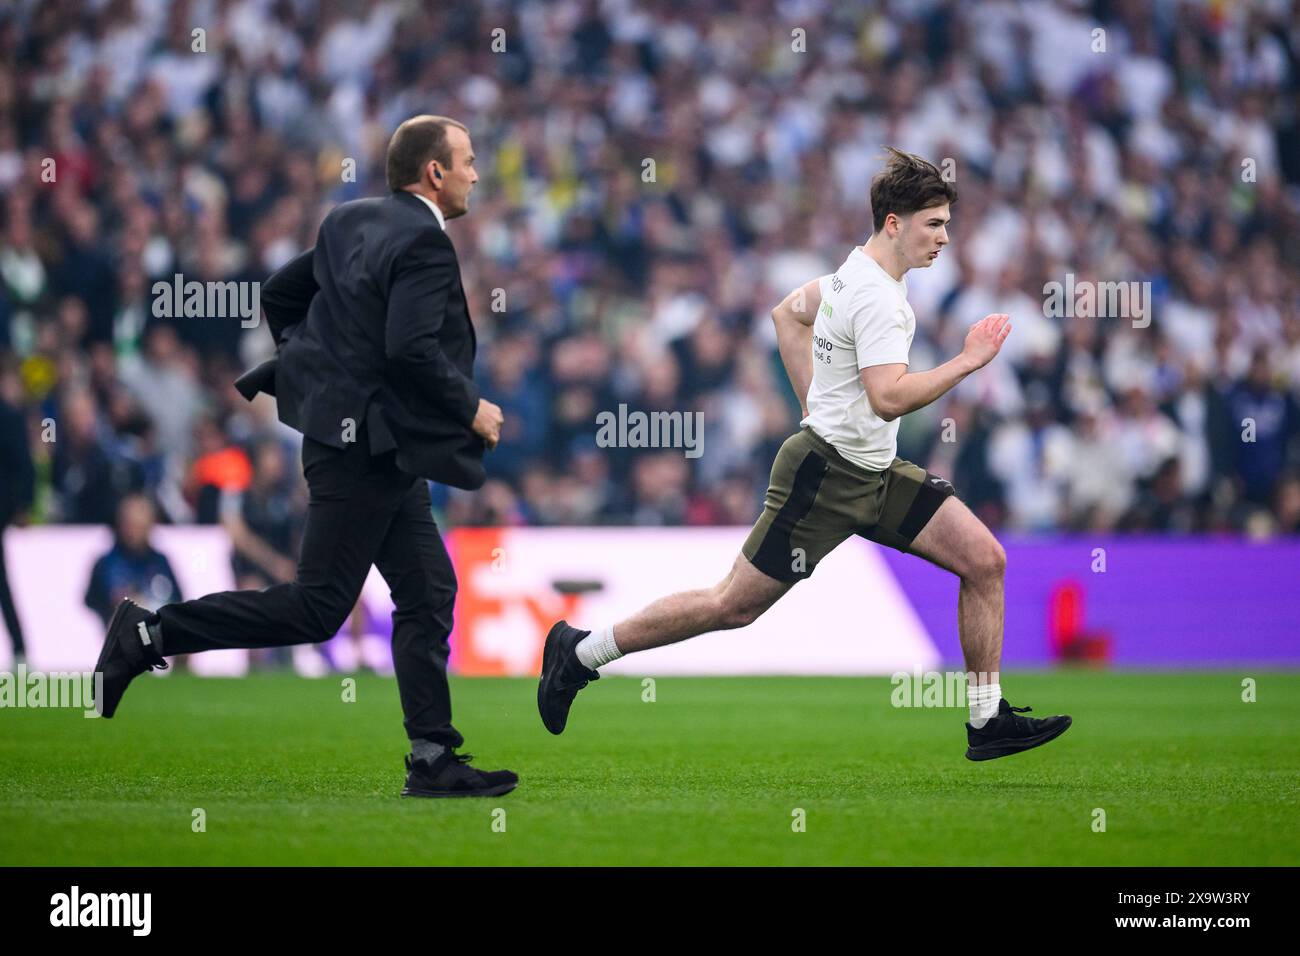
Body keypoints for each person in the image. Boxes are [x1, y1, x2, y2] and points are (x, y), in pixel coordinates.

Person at [539, 148, 1073, 762]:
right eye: (933, 224)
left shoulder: (850, 273)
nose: (944, 238)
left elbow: (786, 316)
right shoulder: (879, 299)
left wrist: (811, 404)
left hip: (873, 470)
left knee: (985, 560)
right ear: (893, 223)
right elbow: (888, 398)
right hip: (827, 477)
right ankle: (580, 652)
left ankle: (986, 719)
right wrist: (967, 361)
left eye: (947, 224)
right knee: (731, 606)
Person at [93, 115, 516, 798]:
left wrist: (323, 374)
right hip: (365, 454)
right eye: (468, 159)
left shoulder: (350, 222)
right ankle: (148, 636)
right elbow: (411, 349)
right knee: (317, 608)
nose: (476, 172)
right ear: (434, 173)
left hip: (368, 445)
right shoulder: (425, 243)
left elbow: (281, 295)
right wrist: (472, 408)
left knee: (428, 589)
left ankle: (433, 757)